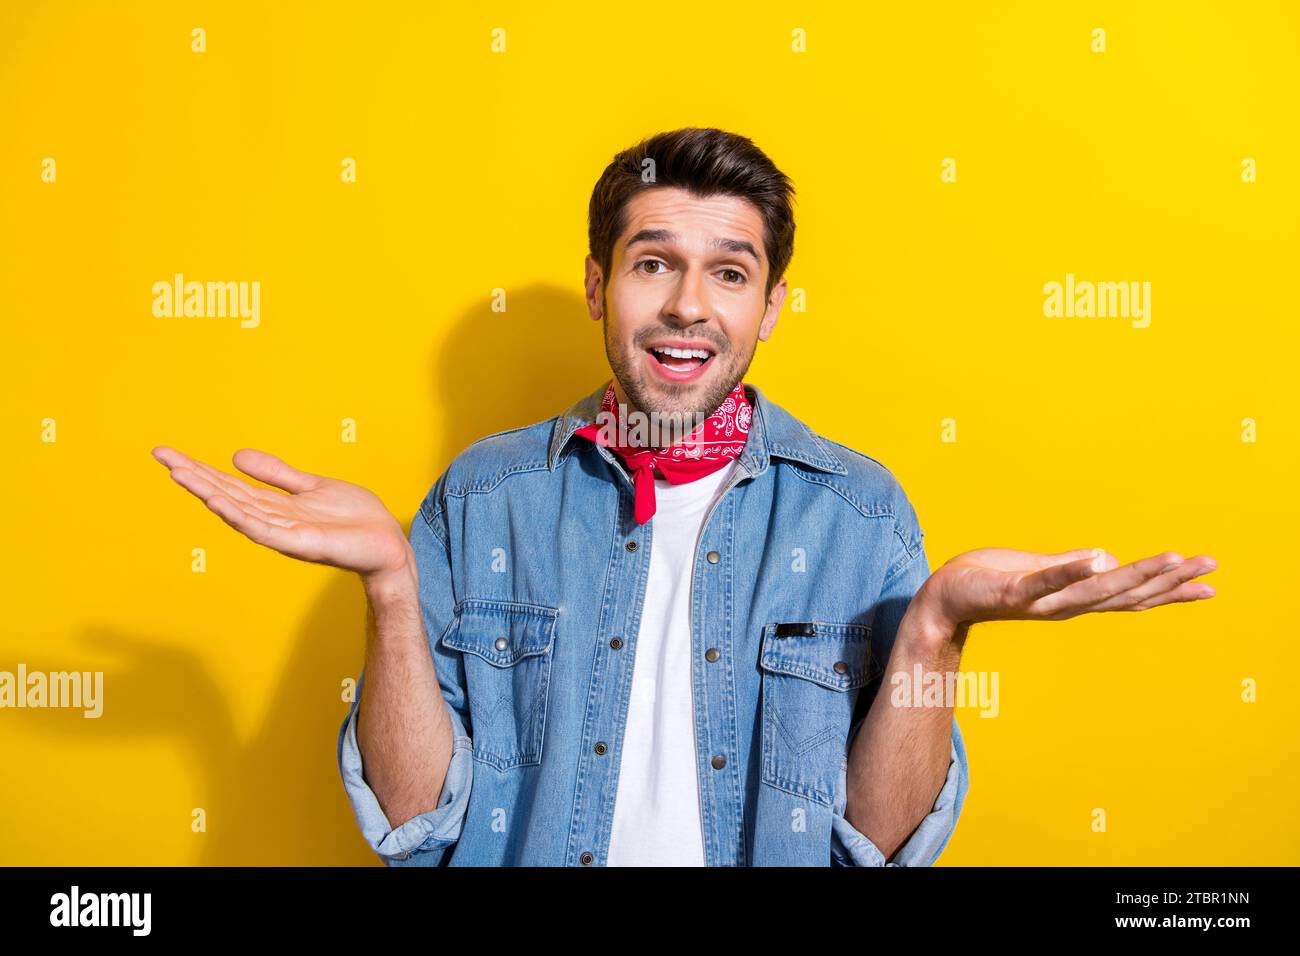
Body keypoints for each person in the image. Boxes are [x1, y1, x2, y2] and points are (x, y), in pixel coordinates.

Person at [151, 127, 1217, 866]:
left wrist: (936, 627)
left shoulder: (859, 514)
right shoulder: (482, 496)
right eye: (652, 262)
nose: (686, 307)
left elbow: (881, 843)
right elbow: (418, 824)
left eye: (730, 272)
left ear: (772, 306)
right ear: (595, 284)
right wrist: (387, 584)